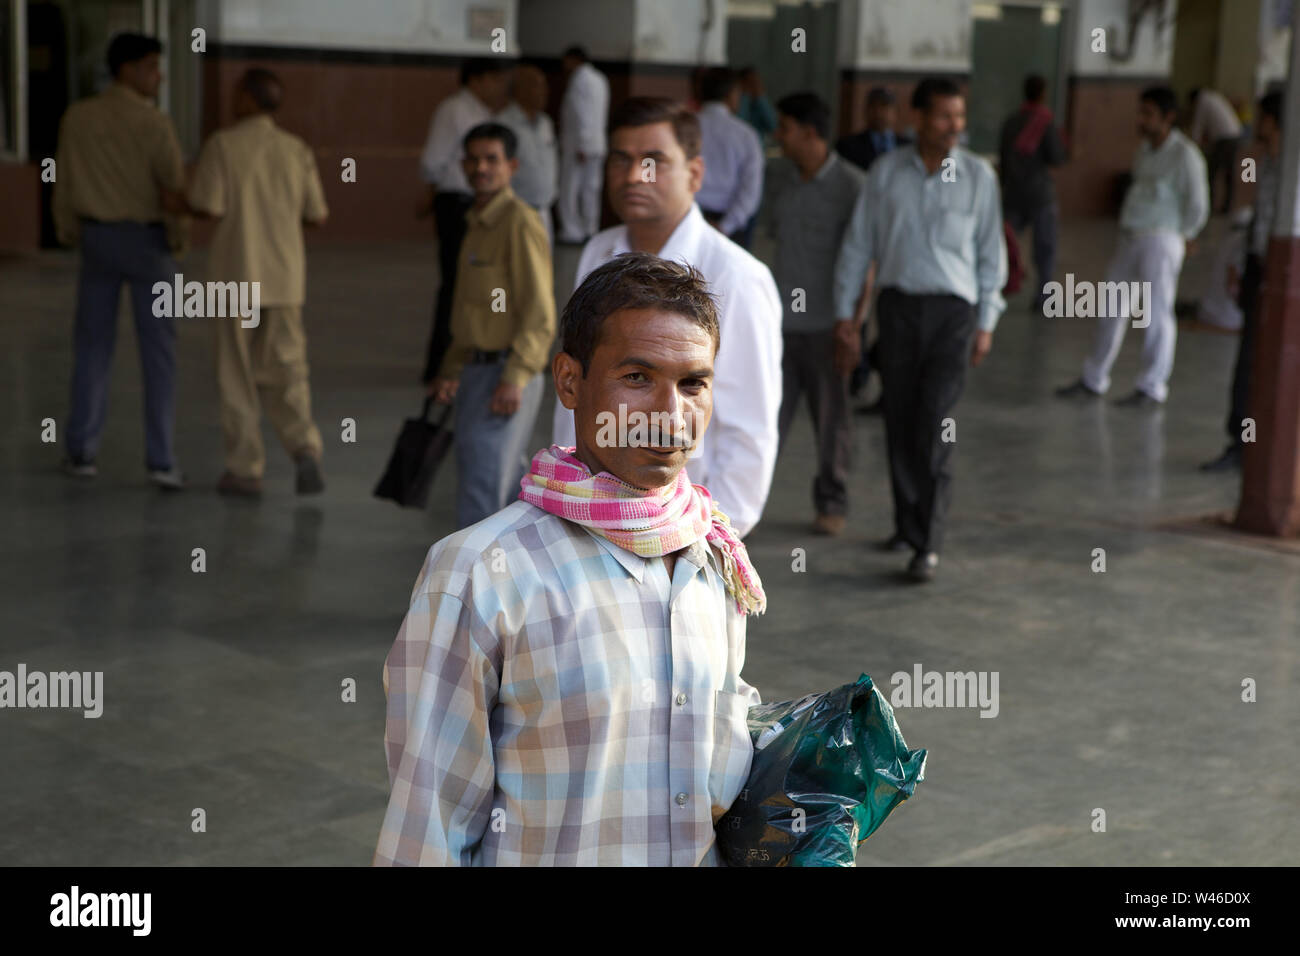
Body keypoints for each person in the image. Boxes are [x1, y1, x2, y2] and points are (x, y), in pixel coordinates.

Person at [375, 253, 766, 867]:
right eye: (637, 377)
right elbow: (427, 829)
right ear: (569, 381)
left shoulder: (711, 553)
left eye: (693, 383)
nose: (671, 413)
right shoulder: (479, 574)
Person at [550, 97, 783, 538]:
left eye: (653, 161)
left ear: (694, 174)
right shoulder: (599, 253)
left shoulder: (736, 276)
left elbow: (750, 433)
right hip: (584, 508)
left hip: (679, 527)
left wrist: (709, 538)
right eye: (621, 160)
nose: (635, 176)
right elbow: (579, 394)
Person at [832, 77, 1007, 583]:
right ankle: (906, 525)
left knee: (934, 421)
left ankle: (928, 541)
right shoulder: (886, 174)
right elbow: (858, 246)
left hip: (955, 315)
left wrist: (987, 322)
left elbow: (990, 255)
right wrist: (848, 314)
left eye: (959, 116)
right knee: (899, 419)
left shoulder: (979, 177)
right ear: (918, 120)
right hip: (899, 310)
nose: (954, 126)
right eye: (943, 116)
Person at [184, 68, 330, 497]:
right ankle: (304, 445)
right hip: (284, 280)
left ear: (247, 99)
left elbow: (207, 206)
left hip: (234, 279)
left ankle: (245, 468)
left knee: (236, 374)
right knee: (287, 369)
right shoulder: (295, 148)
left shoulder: (223, 145)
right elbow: (318, 214)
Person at [52, 32, 187, 489]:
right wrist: (178, 240)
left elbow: (64, 181)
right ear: (127, 69)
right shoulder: (155, 124)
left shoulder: (78, 117)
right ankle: (161, 461)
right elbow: (174, 192)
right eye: (152, 66)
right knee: (160, 355)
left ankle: (82, 451)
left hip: (96, 239)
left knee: (92, 347)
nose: (159, 76)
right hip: (147, 243)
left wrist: (71, 232)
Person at [427, 123, 556, 529]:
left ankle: (477, 587)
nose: (480, 168)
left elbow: (539, 312)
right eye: (473, 159)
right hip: (475, 372)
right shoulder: (477, 221)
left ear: (512, 166)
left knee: (483, 498)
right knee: (497, 487)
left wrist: (515, 377)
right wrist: (450, 368)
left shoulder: (518, 222)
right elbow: (470, 310)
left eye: (491, 159)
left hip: (504, 375)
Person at [1056, 87, 1209, 407]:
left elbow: (1198, 203)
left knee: (1155, 314)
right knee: (1112, 309)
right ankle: (1093, 378)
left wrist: (1186, 234)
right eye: (1141, 112)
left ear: (1168, 118)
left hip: (1162, 238)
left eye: (1149, 114)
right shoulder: (1144, 150)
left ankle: (1152, 387)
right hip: (1131, 235)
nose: (1141, 120)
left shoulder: (1185, 155)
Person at [769, 92, 865, 536]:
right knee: (766, 418)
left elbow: (867, 264)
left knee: (831, 424)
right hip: (779, 326)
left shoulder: (852, 187)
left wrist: (854, 326)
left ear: (810, 133)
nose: (779, 136)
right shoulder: (780, 179)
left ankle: (832, 502)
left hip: (829, 327)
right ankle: (743, 503)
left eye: (785, 127)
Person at [1202, 91, 1283, 473]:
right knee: (1248, 361)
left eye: (1262, 118)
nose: (1256, 127)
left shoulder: (1292, 168)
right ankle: (1242, 442)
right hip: (1258, 267)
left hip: (1283, 272)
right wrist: (1239, 261)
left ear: (1274, 122)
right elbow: (1253, 219)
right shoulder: (1264, 163)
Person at [418, 58, 512, 385]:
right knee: (455, 284)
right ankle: (440, 366)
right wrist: (430, 192)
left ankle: (466, 357)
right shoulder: (454, 110)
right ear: (478, 79)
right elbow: (433, 160)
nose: (501, 87)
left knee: (475, 281)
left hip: (475, 201)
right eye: (496, 79)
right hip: (455, 203)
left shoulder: (482, 113)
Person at [834, 87, 909, 407]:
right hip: (863, 238)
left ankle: (885, 374)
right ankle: (859, 370)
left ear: (896, 113)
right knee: (859, 308)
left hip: (898, 242)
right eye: (874, 108)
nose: (880, 114)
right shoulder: (848, 147)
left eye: (886, 108)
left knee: (893, 313)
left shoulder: (909, 150)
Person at [999, 74, 1066, 311]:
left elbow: (1003, 159)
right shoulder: (1046, 122)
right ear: (1043, 94)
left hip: (1014, 193)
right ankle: (1045, 298)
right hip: (1040, 195)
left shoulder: (1011, 121)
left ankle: (996, 287)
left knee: (1000, 243)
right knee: (1045, 249)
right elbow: (1057, 157)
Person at [695, 68, 765, 249]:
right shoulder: (746, 134)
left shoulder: (684, 127)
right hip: (731, 227)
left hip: (688, 218)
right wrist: (726, 226)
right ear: (731, 94)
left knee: (680, 275)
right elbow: (750, 190)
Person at [496, 63, 558, 248]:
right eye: (537, 85)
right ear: (519, 89)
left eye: (545, 85)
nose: (544, 91)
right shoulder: (504, 123)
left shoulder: (546, 122)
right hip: (516, 211)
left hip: (544, 210)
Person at [557, 46, 609, 244]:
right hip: (597, 143)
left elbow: (582, 113)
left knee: (570, 188)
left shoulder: (579, 80)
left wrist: (583, 143)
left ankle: (572, 230)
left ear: (573, 59)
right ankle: (590, 228)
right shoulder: (600, 78)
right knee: (591, 188)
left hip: (579, 144)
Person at [1189, 87, 1243, 215]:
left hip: (1225, 138)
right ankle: (1226, 207)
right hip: (1235, 135)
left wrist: (1192, 146)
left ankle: (1210, 206)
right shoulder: (1214, 97)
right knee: (1228, 173)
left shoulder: (1203, 101)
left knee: (1212, 172)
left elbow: (1198, 125)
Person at [835, 86, 907, 174]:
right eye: (874, 106)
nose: (879, 112)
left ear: (896, 112)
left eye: (884, 106)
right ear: (865, 110)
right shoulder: (848, 146)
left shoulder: (908, 145)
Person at [737, 66, 777, 143]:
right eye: (750, 83)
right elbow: (740, 124)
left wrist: (761, 98)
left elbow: (774, 126)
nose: (754, 86)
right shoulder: (735, 105)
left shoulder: (760, 105)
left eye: (756, 82)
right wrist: (745, 96)